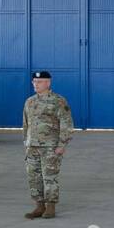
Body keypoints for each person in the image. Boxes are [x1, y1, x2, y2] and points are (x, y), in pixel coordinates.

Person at [22, 70, 74, 219]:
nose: (35, 84)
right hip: (32, 147)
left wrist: (62, 145)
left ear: (48, 83)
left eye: (39, 82)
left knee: (49, 177)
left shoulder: (58, 101)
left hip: (50, 147)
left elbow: (67, 124)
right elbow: (26, 124)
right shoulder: (30, 102)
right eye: (34, 82)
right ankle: (39, 206)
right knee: (34, 177)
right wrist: (26, 143)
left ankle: (50, 206)